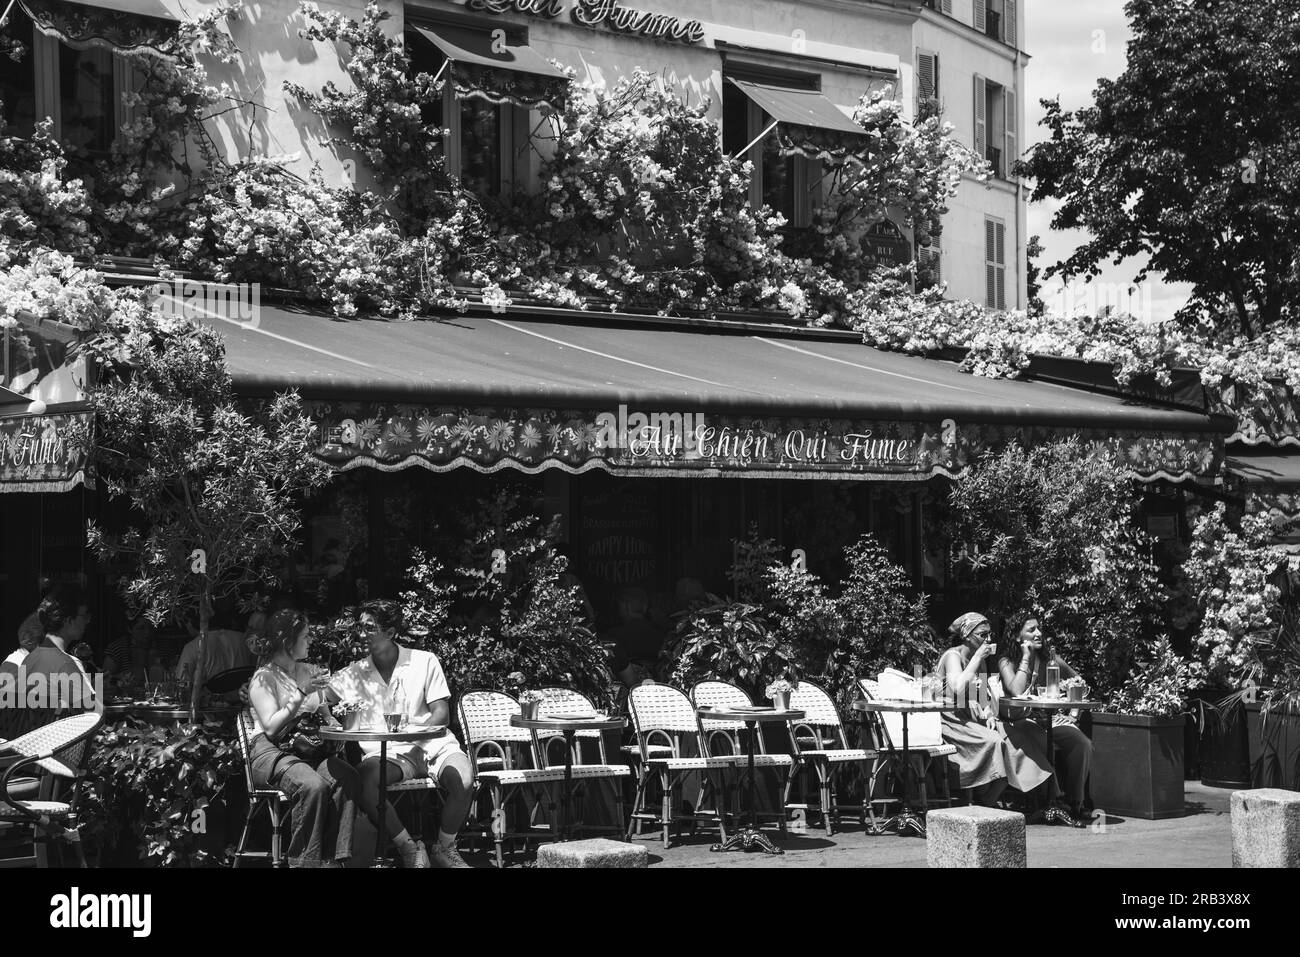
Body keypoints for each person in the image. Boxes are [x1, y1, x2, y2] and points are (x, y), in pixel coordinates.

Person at [327, 600, 474, 869]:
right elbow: (318, 696)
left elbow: (442, 713)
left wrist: (415, 737)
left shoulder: (424, 661)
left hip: (434, 746)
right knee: (363, 779)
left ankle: (444, 847)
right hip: (388, 754)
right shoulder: (354, 672)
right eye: (360, 627)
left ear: (391, 632)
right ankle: (408, 847)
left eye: (369, 628)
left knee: (464, 780)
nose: (361, 634)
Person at [245, 608, 365, 868]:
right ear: (288, 642)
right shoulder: (263, 678)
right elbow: (271, 728)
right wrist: (300, 692)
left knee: (347, 777)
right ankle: (304, 863)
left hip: (305, 749)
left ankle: (333, 861)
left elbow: (324, 711)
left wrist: (335, 727)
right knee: (313, 786)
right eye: (306, 636)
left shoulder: (308, 670)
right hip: (269, 751)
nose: (311, 640)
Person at [935, 612, 1053, 808]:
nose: (988, 639)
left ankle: (1044, 797)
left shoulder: (979, 660)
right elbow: (957, 688)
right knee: (995, 741)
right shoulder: (952, 656)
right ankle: (986, 801)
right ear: (966, 635)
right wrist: (978, 657)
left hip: (972, 718)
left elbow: (981, 697)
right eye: (982, 635)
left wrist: (989, 712)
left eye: (989, 635)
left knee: (1014, 739)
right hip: (950, 721)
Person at [997, 612, 1094, 825]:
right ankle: (1054, 801)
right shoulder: (1007, 661)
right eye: (1031, 630)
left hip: (1051, 718)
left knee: (1082, 743)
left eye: (1039, 628)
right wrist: (1025, 657)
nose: (1038, 633)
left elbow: (1079, 681)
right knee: (1045, 742)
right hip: (1021, 721)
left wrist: (1073, 715)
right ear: (1017, 636)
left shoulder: (1051, 660)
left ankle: (1076, 802)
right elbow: (1016, 690)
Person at [0, 585, 98, 740]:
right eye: (84, 615)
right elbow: (96, 716)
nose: (87, 621)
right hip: (61, 756)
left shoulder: (30, 659)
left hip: (32, 754)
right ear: (69, 620)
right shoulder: (65, 664)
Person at [602, 587, 667, 687]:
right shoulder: (663, 635)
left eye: (619, 606)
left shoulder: (612, 637)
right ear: (645, 607)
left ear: (625, 607)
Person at [176, 608, 256, 684]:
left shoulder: (192, 647)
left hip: (210, 697)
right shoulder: (243, 639)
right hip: (243, 695)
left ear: (189, 623)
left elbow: (182, 682)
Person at [103, 615, 159, 686]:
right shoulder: (118, 647)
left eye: (150, 627)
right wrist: (119, 679)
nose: (147, 632)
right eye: (141, 628)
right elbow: (103, 680)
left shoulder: (156, 646)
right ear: (129, 629)